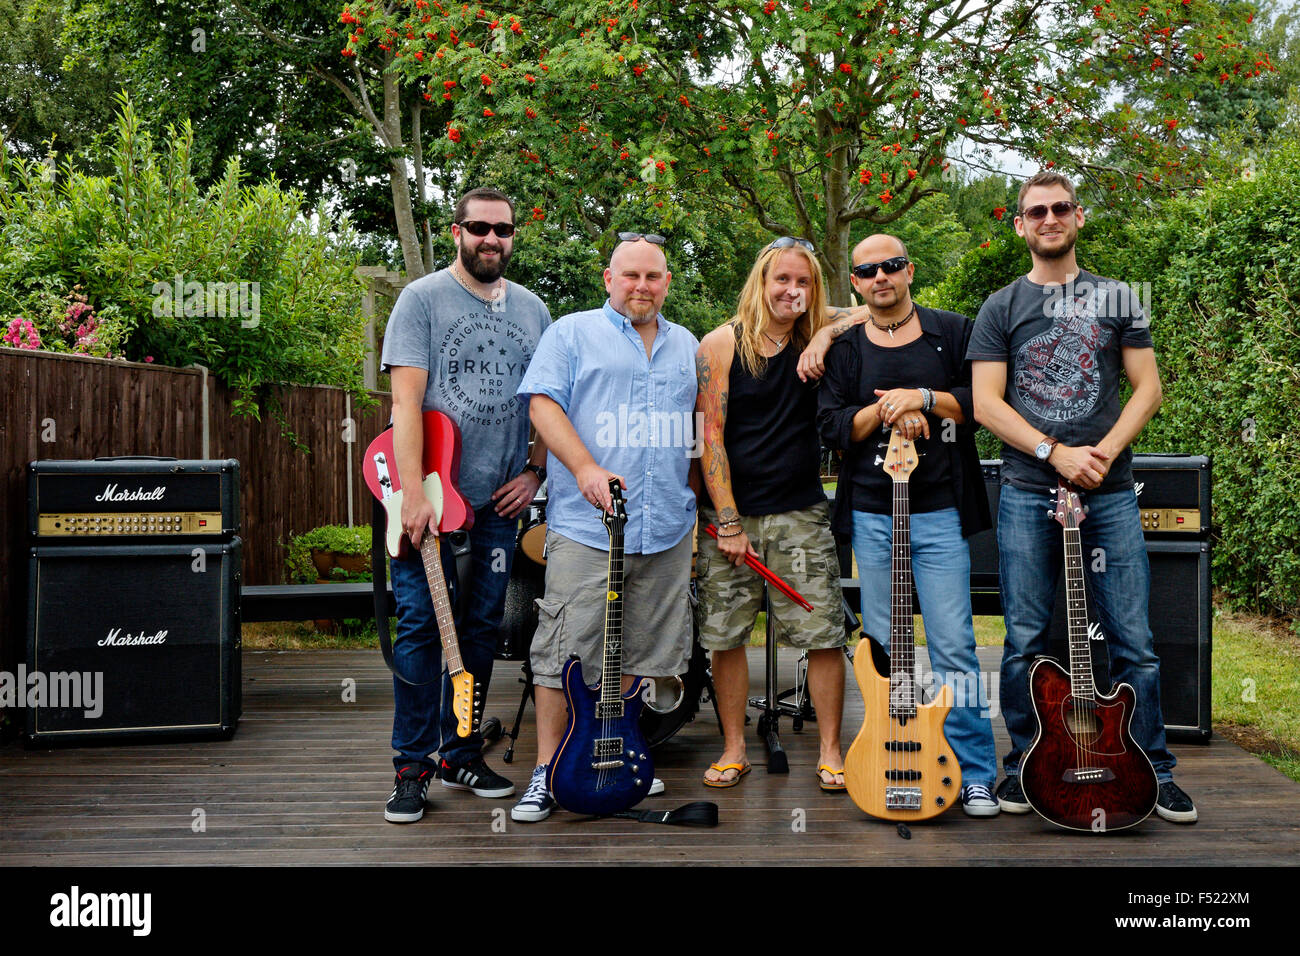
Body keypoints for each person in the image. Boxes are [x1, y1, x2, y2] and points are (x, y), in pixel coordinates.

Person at [967, 170, 1196, 823]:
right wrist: (1053, 452)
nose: (1048, 218)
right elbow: (986, 403)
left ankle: (1155, 771)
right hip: (1028, 489)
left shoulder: (1119, 298)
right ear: (1019, 224)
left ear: (1078, 217)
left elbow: (1147, 388)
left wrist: (1105, 453)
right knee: (1025, 639)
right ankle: (1024, 767)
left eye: (1059, 208)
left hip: (1112, 491)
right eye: (1034, 210)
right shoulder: (1001, 307)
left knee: (1135, 639)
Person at [511, 234, 700, 822]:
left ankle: (616, 757)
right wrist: (585, 468)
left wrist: (701, 500)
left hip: (665, 529)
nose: (642, 286)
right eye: (631, 275)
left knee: (642, 653)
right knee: (564, 651)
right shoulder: (571, 333)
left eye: (654, 276)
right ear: (608, 278)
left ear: (667, 281)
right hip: (589, 528)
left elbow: (698, 430)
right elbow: (542, 404)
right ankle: (547, 771)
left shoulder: (686, 344)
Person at [379, 187, 551, 823]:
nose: (491, 239)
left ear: (513, 236)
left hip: (498, 508)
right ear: (456, 231)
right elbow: (405, 404)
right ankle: (412, 765)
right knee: (423, 627)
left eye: (502, 230)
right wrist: (412, 494)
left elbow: (547, 405)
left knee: (482, 630)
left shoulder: (534, 311)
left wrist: (536, 471)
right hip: (429, 502)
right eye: (478, 228)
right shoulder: (422, 299)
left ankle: (460, 750)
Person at [817, 233, 1001, 817]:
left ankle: (974, 772)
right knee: (883, 649)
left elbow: (980, 402)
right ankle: (889, 754)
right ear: (855, 282)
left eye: (891, 266)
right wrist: (886, 410)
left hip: (940, 511)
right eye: (867, 270)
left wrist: (923, 397)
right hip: (873, 515)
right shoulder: (845, 346)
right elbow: (832, 426)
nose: (881, 278)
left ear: (910, 270)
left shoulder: (952, 331)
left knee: (955, 646)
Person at [694, 237, 863, 791]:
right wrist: (728, 520)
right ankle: (734, 747)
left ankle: (832, 752)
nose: (793, 290)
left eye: (805, 281)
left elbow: (877, 304)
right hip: (732, 517)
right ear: (761, 282)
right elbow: (709, 438)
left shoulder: (819, 330)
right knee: (725, 636)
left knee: (822, 634)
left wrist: (824, 330)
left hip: (802, 513)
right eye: (782, 280)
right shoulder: (721, 344)